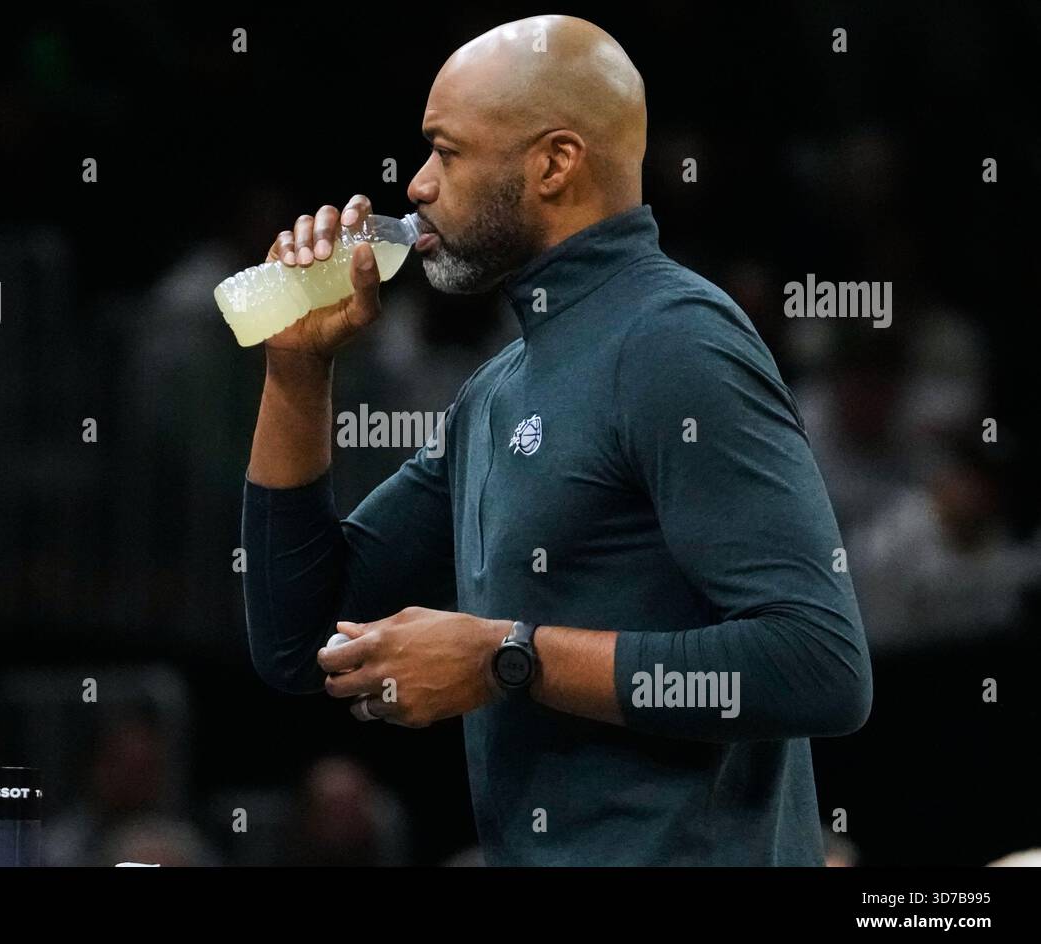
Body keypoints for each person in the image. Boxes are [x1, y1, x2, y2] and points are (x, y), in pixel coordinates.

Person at [241, 14, 871, 865]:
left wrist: (511, 658)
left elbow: (822, 666)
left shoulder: (675, 341)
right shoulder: (497, 391)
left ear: (554, 163)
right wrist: (296, 371)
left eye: (446, 152)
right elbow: (300, 640)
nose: (417, 185)